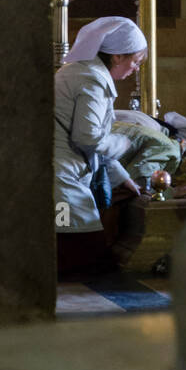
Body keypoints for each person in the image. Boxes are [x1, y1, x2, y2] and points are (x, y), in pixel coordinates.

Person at [54, 16, 147, 235]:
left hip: (61, 175)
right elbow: (87, 137)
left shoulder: (78, 71)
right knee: (74, 250)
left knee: (79, 250)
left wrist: (122, 178)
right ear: (117, 56)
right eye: (135, 62)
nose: (135, 69)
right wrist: (122, 143)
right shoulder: (92, 80)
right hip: (62, 180)